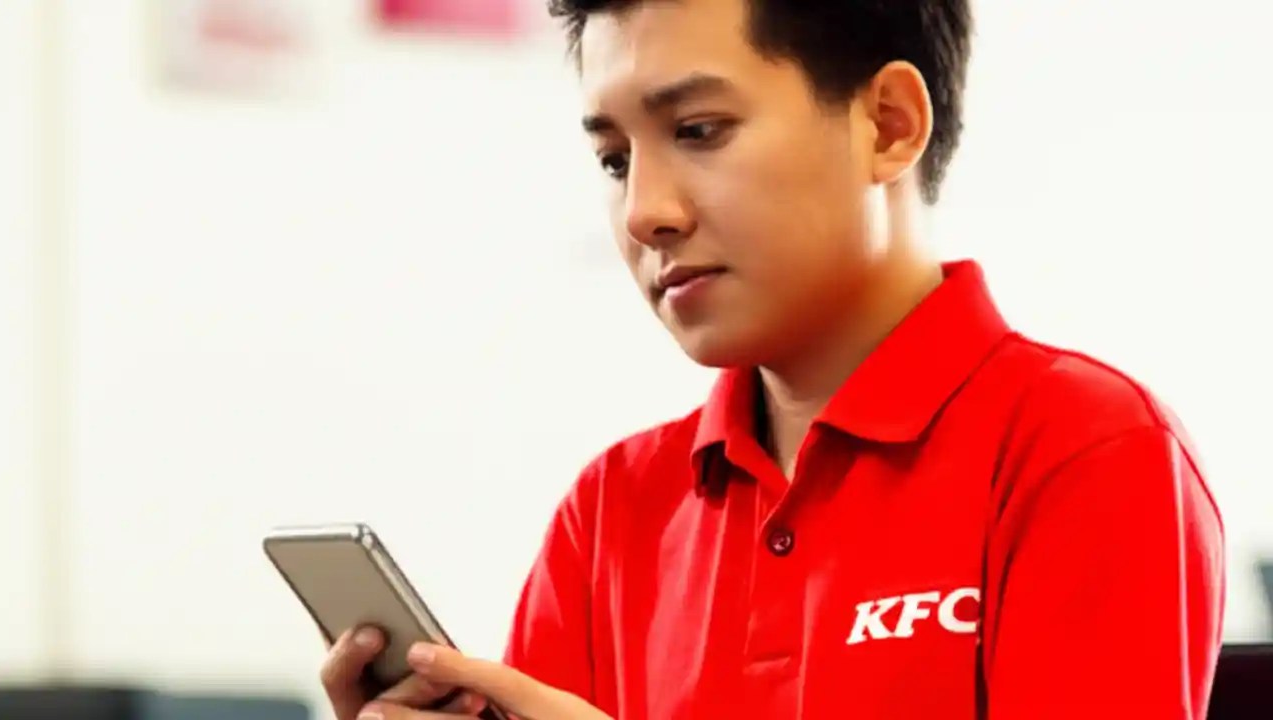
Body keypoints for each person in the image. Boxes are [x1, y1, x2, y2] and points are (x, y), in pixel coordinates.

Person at [322, 0, 1226, 717]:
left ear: (889, 123)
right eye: (611, 159)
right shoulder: (611, 512)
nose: (644, 211)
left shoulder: (1088, 450)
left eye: (700, 130)